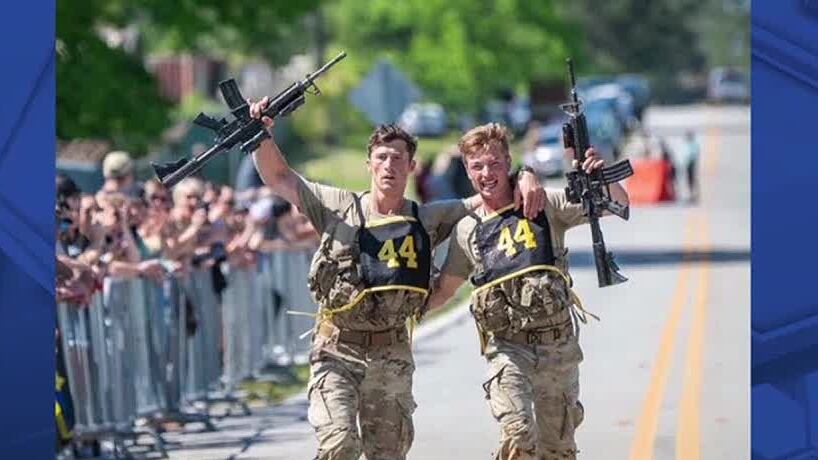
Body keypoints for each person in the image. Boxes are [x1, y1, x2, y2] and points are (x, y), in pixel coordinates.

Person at [248, 96, 547, 460]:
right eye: (382, 157)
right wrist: (260, 134)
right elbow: (279, 176)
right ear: (369, 164)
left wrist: (527, 173)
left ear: (410, 167)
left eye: (398, 159)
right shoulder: (339, 206)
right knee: (339, 445)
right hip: (337, 350)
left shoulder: (427, 219)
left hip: (391, 353)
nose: (389, 165)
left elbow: (490, 196)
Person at [426, 123, 630, 460]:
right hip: (508, 350)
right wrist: (397, 318)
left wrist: (602, 172)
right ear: (467, 169)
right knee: (519, 435)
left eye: (494, 163)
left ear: (508, 161)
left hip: (557, 348)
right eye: (477, 166)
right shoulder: (467, 229)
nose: (487, 173)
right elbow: (445, 290)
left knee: (558, 450)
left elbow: (614, 205)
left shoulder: (543, 202)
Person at [681, 130, 700, 203]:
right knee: (688, 180)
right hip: (687, 164)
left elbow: (694, 155)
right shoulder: (687, 144)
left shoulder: (694, 144)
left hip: (691, 164)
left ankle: (694, 195)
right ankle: (690, 195)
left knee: (692, 180)